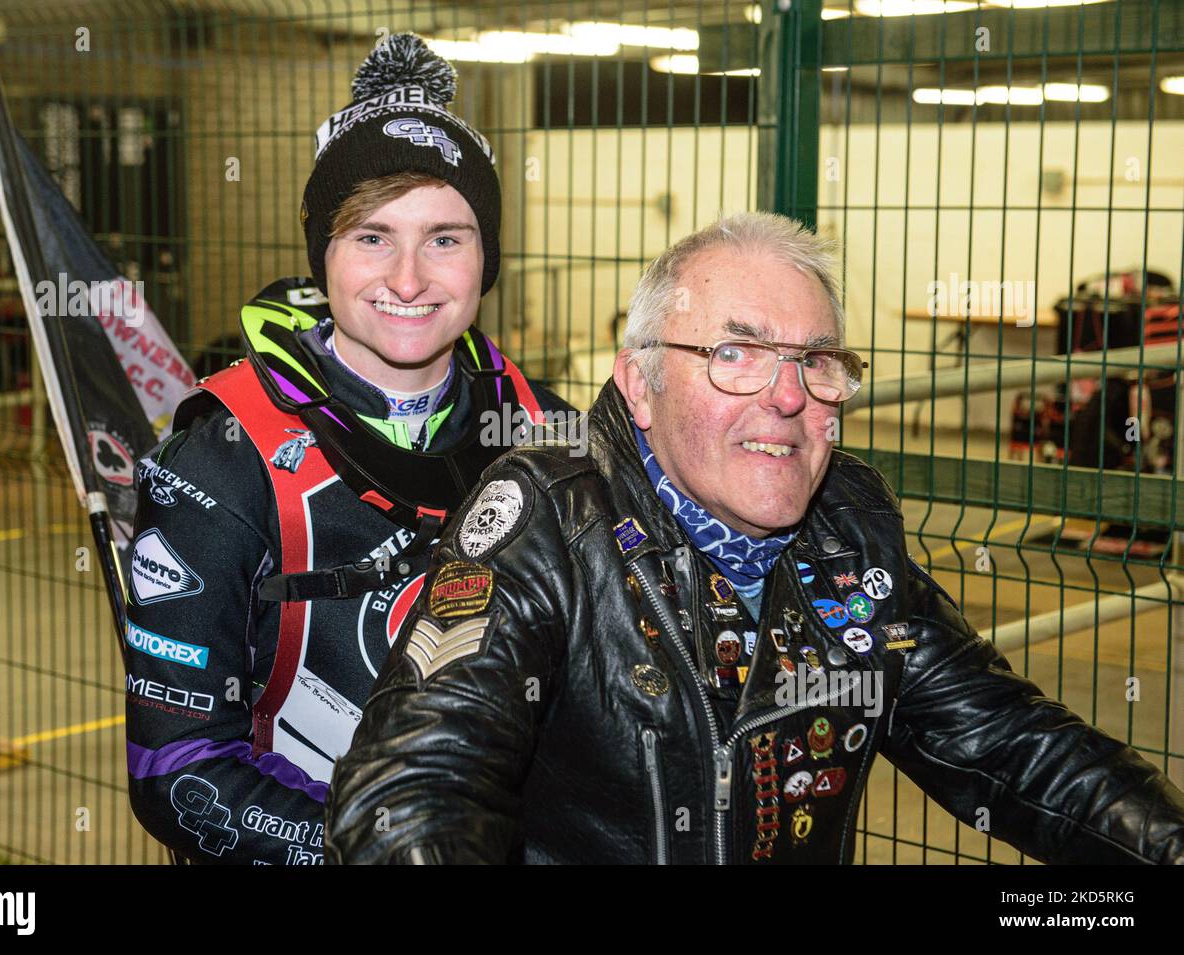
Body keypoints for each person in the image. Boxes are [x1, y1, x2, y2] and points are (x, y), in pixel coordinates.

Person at [324, 211, 1184, 864]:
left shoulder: (849, 533)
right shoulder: (545, 521)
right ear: (642, 386)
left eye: (818, 361)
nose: (787, 396)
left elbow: (1012, 747)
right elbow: (411, 792)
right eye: (737, 354)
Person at [123, 33, 575, 864]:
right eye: (371, 236)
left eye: (446, 237)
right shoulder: (221, 456)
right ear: (322, 253)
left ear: (489, 258)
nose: (408, 279)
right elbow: (176, 770)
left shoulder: (551, 438)